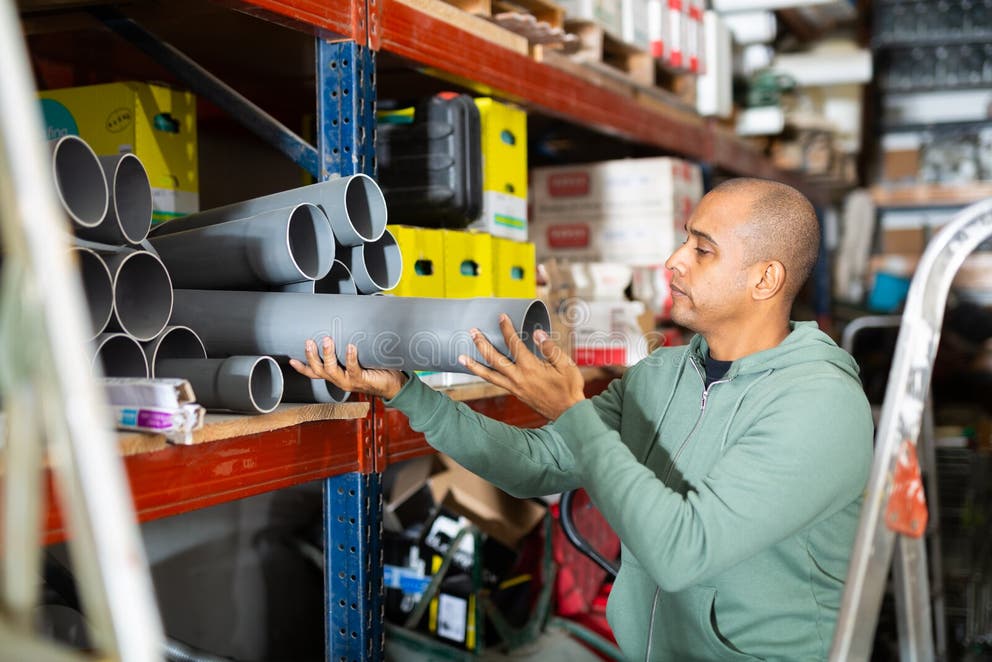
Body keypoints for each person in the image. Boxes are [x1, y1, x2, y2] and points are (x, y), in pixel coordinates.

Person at [290, 177, 874, 661]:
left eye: (702, 249)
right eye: (683, 241)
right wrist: (408, 393)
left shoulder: (820, 404)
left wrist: (571, 410)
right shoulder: (664, 372)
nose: (673, 262)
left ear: (765, 279)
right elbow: (536, 466)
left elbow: (682, 551)